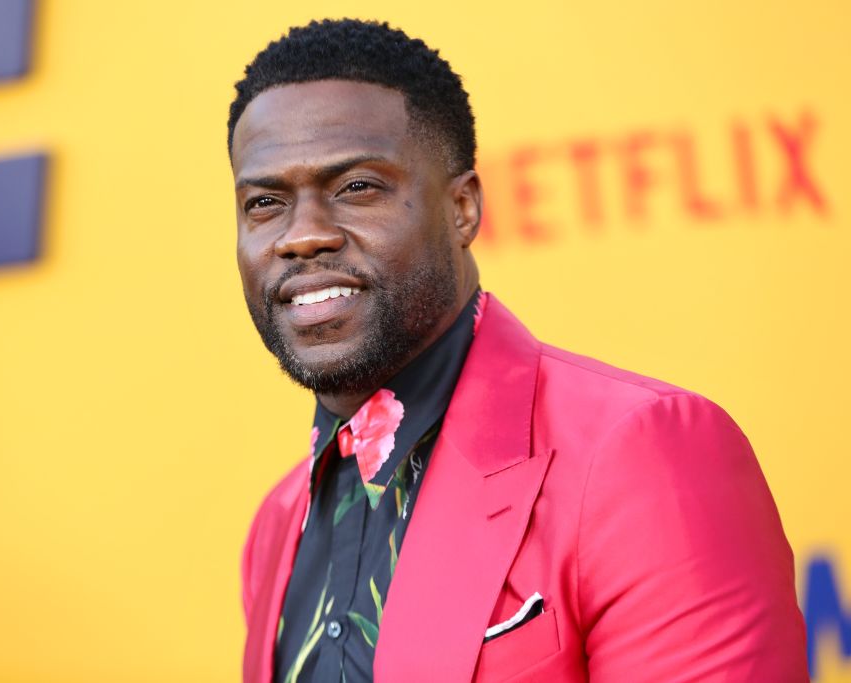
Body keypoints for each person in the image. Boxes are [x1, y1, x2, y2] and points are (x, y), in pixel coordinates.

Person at [228, 18, 807, 682]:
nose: (302, 236)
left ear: (463, 208)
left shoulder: (636, 457)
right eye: (265, 202)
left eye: (357, 187)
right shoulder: (277, 526)